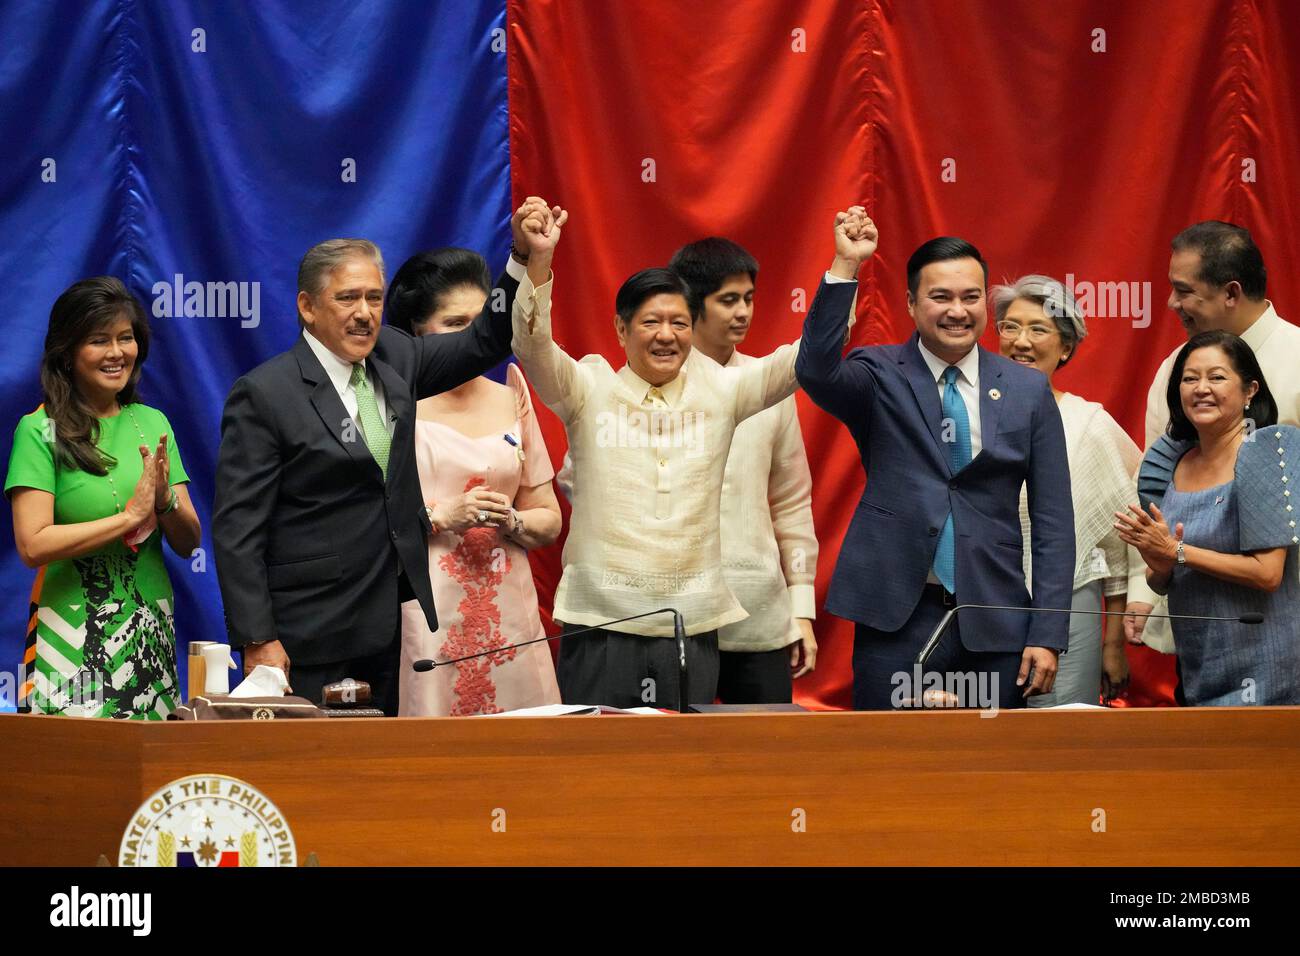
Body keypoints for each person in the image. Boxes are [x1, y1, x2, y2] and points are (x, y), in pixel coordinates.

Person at [213, 197, 561, 716]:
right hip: (307, 628)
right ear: (307, 307)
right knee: (312, 778)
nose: (364, 313)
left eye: (374, 298)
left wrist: (520, 257)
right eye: (348, 298)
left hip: (389, 625)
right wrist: (258, 637)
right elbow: (238, 530)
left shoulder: (397, 356)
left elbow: (486, 339)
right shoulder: (265, 394)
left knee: (378, 776)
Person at [795, 207, 1074, 710]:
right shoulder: (878, 373)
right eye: (940, 297)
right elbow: (814, 370)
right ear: (910, 302)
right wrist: (844, 267)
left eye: (970, 298)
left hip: (995, 617)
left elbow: (1054, 521)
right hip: (897, 616)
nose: (957, 311)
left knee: (993, 770)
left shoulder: (1028, 390)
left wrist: (1048, 630)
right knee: (892, 767)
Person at [510, 252, 802, 710]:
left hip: (693, 624)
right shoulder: (587, 388)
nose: (667, 335)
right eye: (651, 323)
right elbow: (531, 346)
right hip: (600, 621)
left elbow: (807, 359)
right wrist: (539, 264)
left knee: (682, 771)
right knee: (597, 767)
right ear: (622, 329)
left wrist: (844, 269)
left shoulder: (725, 393)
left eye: (680, 323)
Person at [6, 277, 201, 718]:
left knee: (149, 775)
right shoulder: (40, 430)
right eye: (99, 340)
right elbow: (32, 545)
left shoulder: (152, 422)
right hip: (71, 631)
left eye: (125, 338)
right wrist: (130, 517)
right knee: (76, 775)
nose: (117, 353)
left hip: (149, 626)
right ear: (68, 353)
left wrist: (166, 498)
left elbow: (190, 542)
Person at [1124, 222, 1300, 700]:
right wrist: (1146, 584)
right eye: (1193, 381)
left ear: (1231, 292)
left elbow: (1268, 568)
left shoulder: (1296, 360)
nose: (1171, 304)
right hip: (1201, 626)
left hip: (1282, 624)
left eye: (1183, 290)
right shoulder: (1173, 368)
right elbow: (1155, 498)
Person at [384, 247, 562, 716]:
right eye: (455, 323)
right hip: (425, 610)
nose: (473, 337)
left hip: (509, 611)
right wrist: (441, 516)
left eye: (480, 322)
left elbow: (549, 520)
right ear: (417, 333)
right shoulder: (388, 401)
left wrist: (514, 521)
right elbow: (364, 523)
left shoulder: (511, 392)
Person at [668, 237, 818, 703]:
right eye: (728, 300)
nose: (743, 312)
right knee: (671, 762)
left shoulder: (772, 386)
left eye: (749, 299)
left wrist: (801, 609)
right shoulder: (644, 383)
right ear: (692, 304)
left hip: (759, 612)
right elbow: (582, 480)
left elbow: (791, 504)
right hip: (668, 614)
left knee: (767, 761)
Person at [993, 275, 1140, 704]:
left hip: (1069, 606)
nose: (1022, 341)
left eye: (1038, 329)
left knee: (1061, 742)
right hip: (984, 605)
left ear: (1066, 347)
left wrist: (1113, 645)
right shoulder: (970, 416)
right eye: (1010, 326)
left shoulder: (1088, 423)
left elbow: (1116, 546)